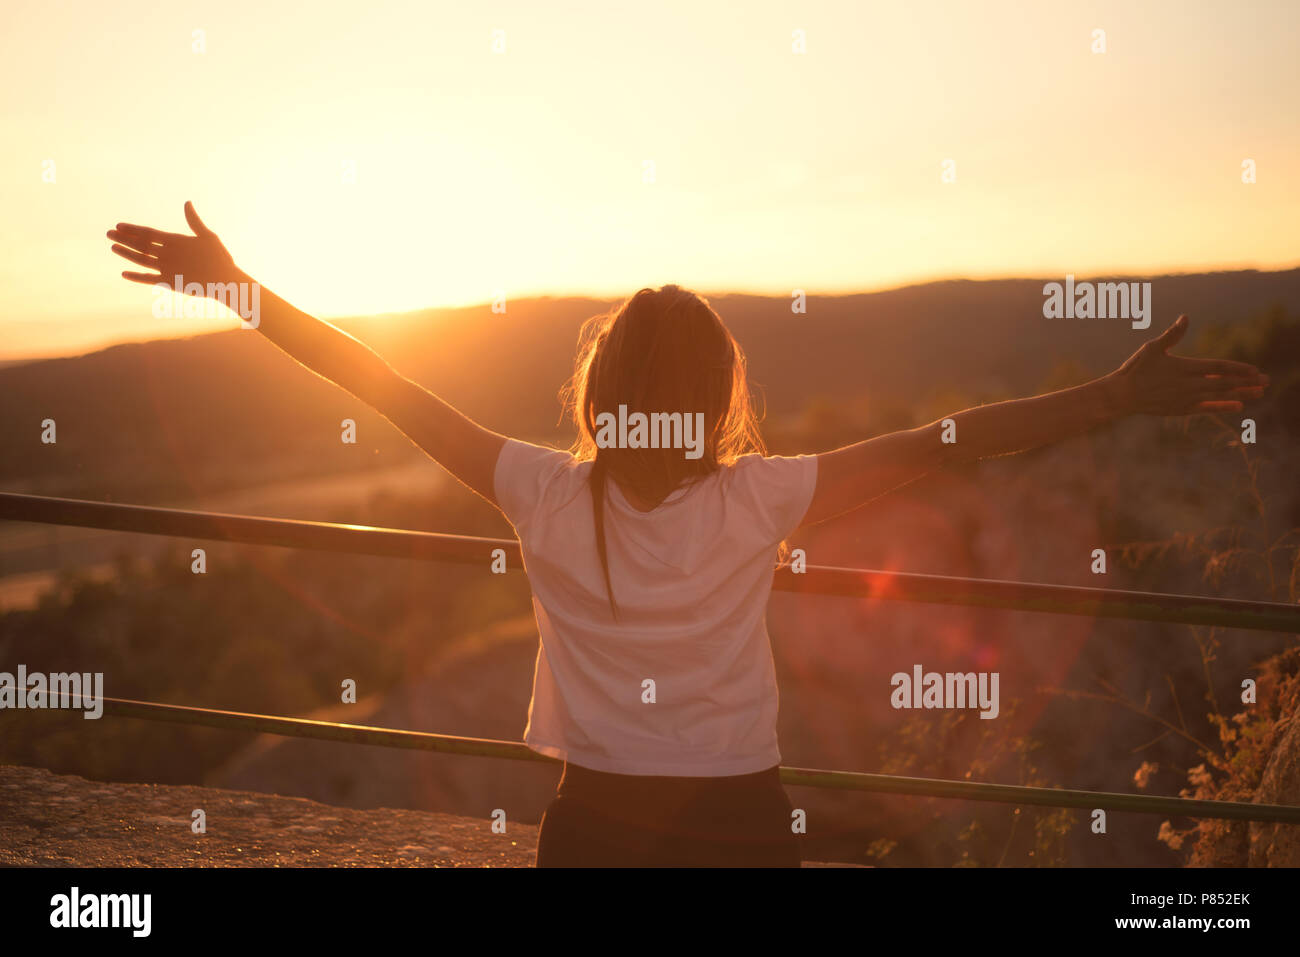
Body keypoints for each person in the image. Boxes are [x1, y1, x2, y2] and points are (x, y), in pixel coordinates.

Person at [107, 203, 1269, 867]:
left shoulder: (538, 490)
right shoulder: (760, 497)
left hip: (592, 830)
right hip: (740, 827)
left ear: (599, 391)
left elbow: (376, 380)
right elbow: (953, 441)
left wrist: (239, 288)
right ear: (716, 396)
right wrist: (1111, 399)